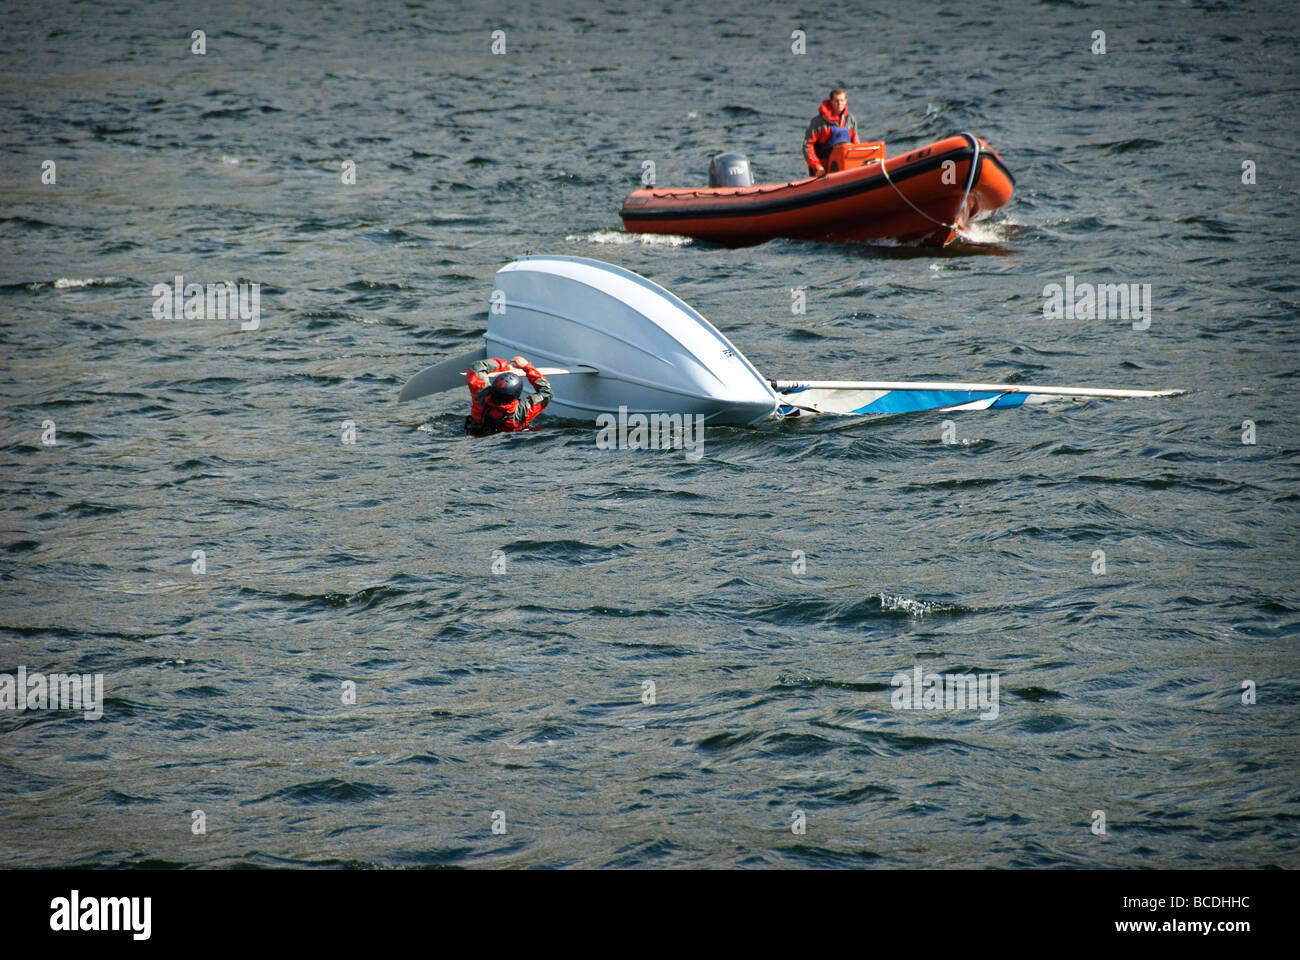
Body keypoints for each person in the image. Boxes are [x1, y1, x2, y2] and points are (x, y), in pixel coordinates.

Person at [464, 355, 552, 435]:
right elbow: (546, 392)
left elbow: (477, 367)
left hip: (476, 435)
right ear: (517, 394)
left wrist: (506, 366)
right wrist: (527, 367)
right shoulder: (522, 412)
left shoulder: (481, 394)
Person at [803, 87, 859, 177]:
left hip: (847, 166)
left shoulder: (850, 120)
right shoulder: (818, 122)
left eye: (842, 100)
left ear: (846, 101)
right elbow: (807, 146)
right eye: (836, 101)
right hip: (825, 170)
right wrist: (817, 166)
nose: (839, 104)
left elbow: (856, 143)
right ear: (831, 102)